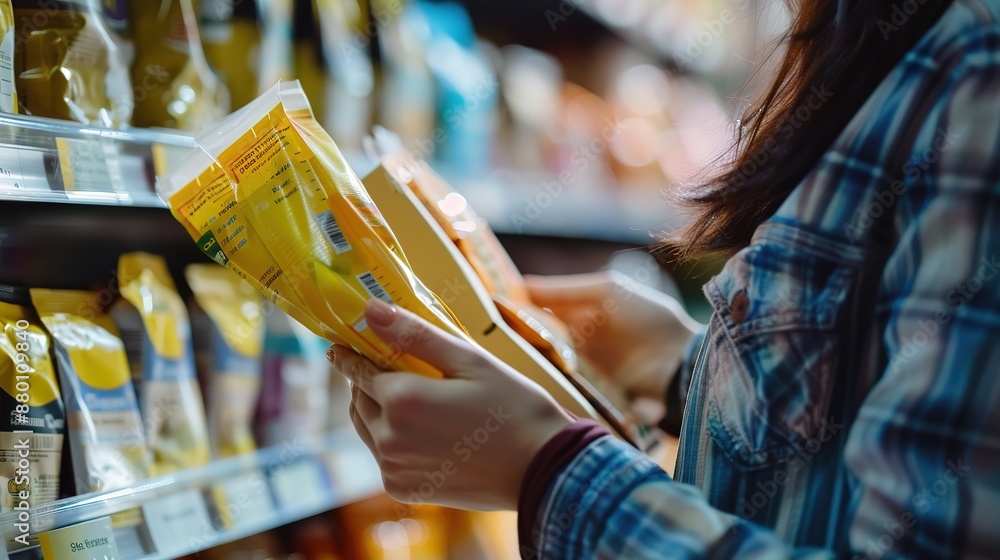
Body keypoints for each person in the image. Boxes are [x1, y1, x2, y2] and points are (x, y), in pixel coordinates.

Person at [327, 0, 1000, 557]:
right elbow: (865, 386)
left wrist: (549, 472)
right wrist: (685, 369)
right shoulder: (898, 44)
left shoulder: (977, 64)